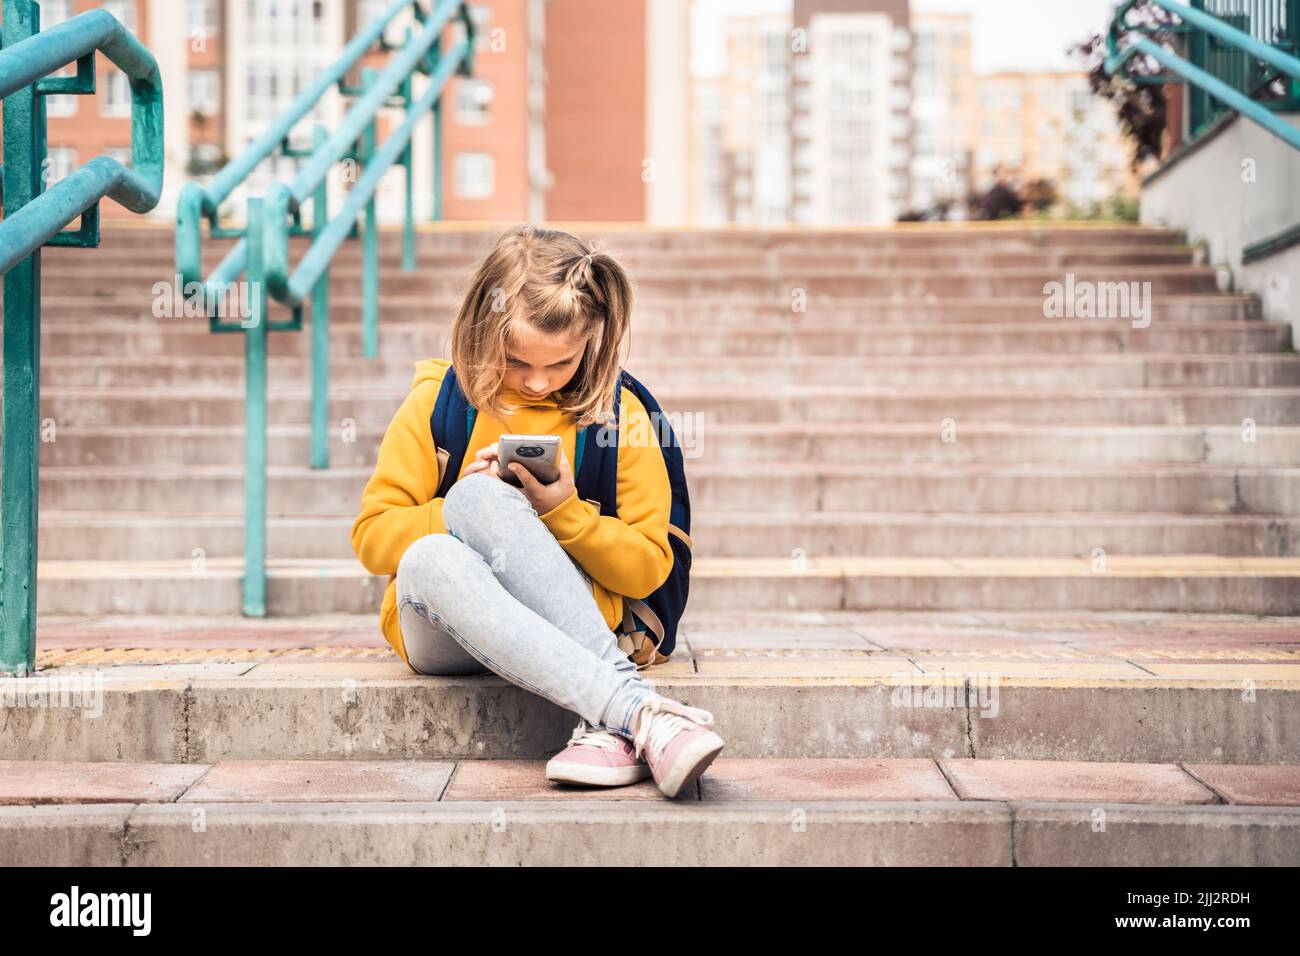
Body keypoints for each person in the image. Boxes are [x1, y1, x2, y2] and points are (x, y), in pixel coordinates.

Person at [349, 223, 724, 799]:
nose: (538, 383)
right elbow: (373, 538)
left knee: (471, 508)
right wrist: (459, 510)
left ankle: (618, 715)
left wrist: (564, 511)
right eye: (517, 361)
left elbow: (650, 568)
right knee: (438, 542)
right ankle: (635, 707)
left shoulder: (618, 418)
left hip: (575, 627)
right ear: (481, 330)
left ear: (592, 341)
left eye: (562, 363)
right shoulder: (437, 404)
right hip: (443, 628)